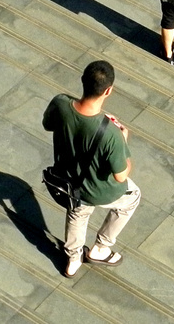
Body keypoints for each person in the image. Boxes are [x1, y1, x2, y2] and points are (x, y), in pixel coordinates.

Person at [42, 61, 141, 278]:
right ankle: (100, 248)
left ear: (82, 81)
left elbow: (47, 125)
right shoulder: (111, 134)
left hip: (70, 183)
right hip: (99, 191)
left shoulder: (60, 103)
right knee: (133, 197)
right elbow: (121, 175)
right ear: (108, 91)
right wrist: (123, 139)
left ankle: (73, 259)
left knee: (78, 211)